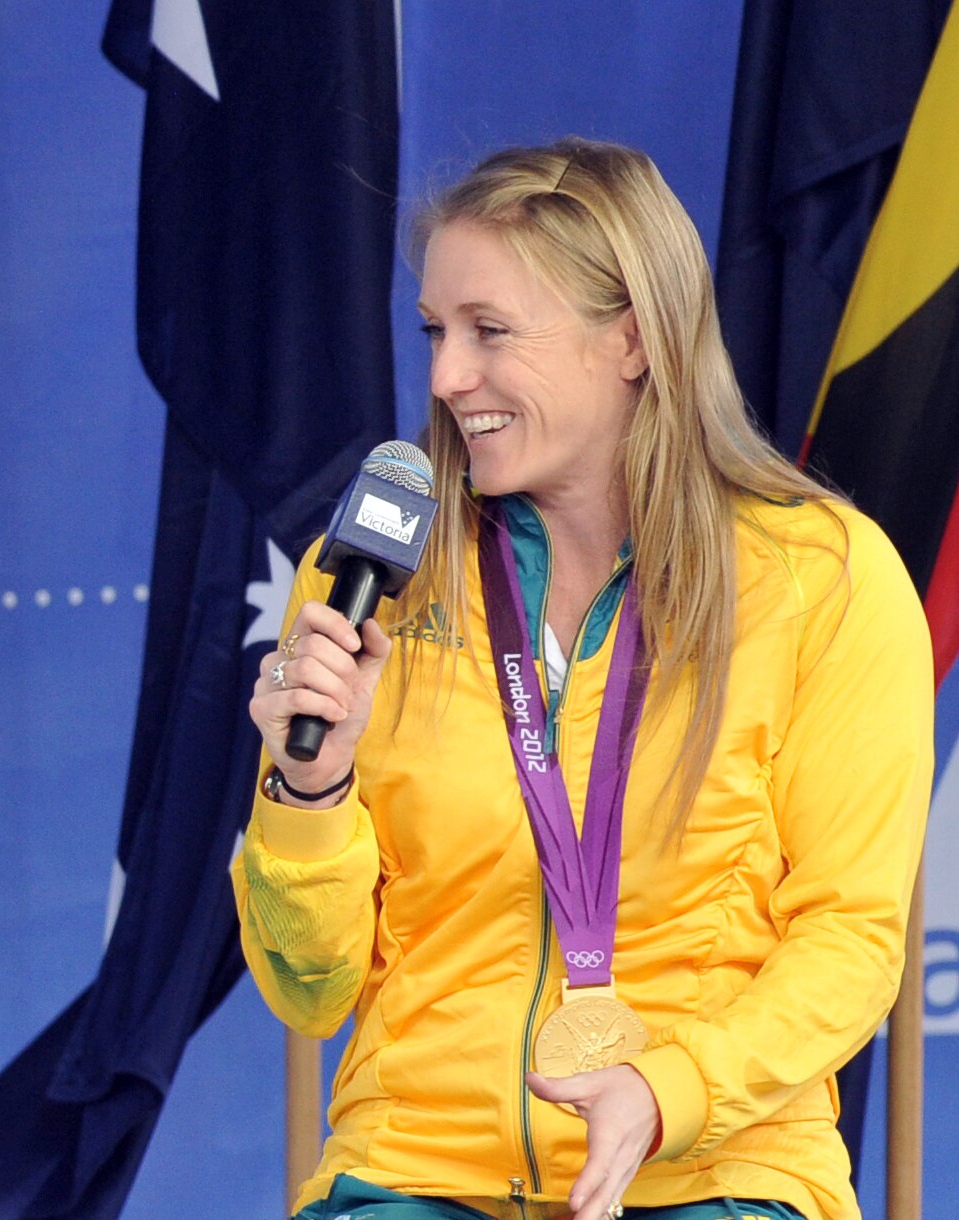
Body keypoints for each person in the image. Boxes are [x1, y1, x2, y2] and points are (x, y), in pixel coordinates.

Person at [238, 139, 932, 1220]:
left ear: (636, 340)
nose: (444, 378)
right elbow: (308, 988)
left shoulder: (822, 579)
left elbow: (847, 943)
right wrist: (306, 791)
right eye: (435, 331)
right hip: (418, 1173)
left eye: (490, 332)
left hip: (712, 1171)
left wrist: (666, 1092)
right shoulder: (373, 583)